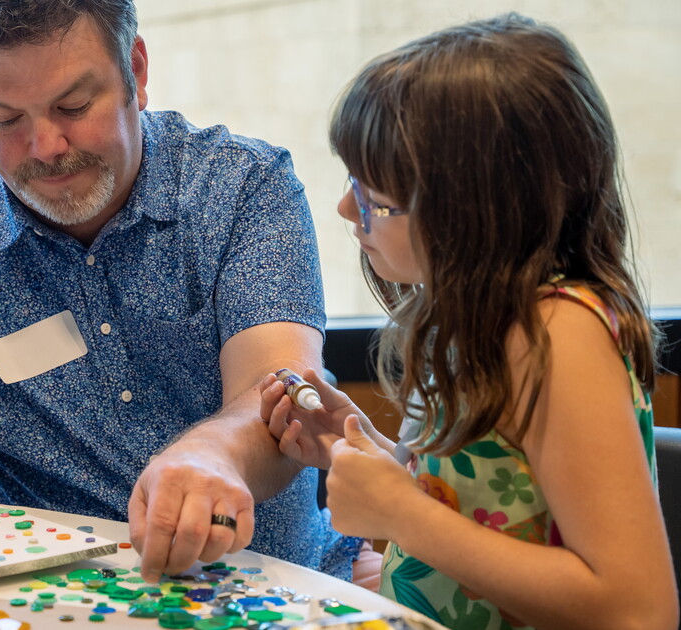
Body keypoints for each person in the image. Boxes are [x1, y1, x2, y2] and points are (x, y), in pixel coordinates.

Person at [0, 0, 363, 583]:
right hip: (34, 605)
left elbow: (280, 391)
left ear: (135, 70)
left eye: (74, 106)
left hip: (265, 587)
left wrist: (212, 454)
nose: (46, 146)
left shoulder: (242, 189)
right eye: (4, 119)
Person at [260, 13, 679, 629]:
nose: (347, 207)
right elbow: (485, 505)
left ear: (471, 209)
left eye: (375, 197)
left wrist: (401, 516)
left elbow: (636, 608)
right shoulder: (471, 324)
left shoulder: (559, 335)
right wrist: (355, 445)